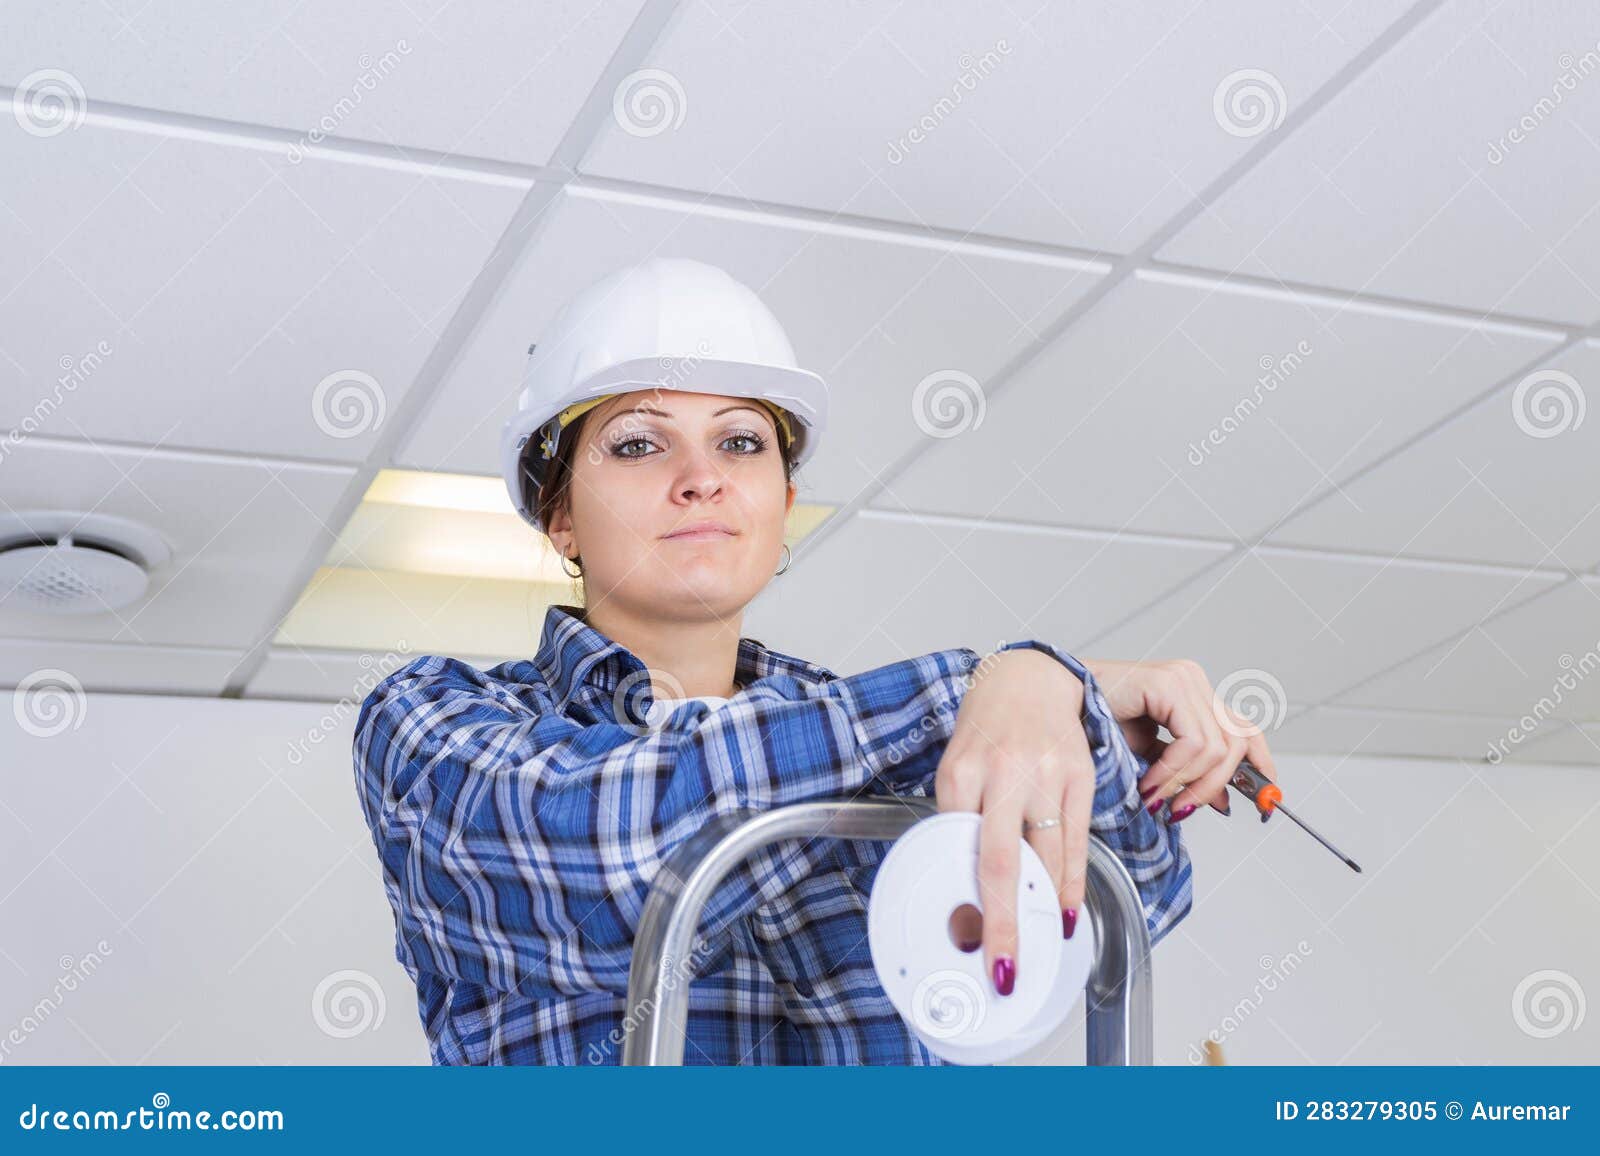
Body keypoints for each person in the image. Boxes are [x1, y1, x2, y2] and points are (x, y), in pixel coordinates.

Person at [353, 257, 1279, 1065]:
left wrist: (1090, 734)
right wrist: (1008, 681)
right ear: (559, 514)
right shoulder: (434, 726)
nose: (701, 476)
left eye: (741, 441)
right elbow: (623, 863)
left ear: (784, 497)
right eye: (639, 443)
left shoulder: (884, 735)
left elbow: (1123, 912)